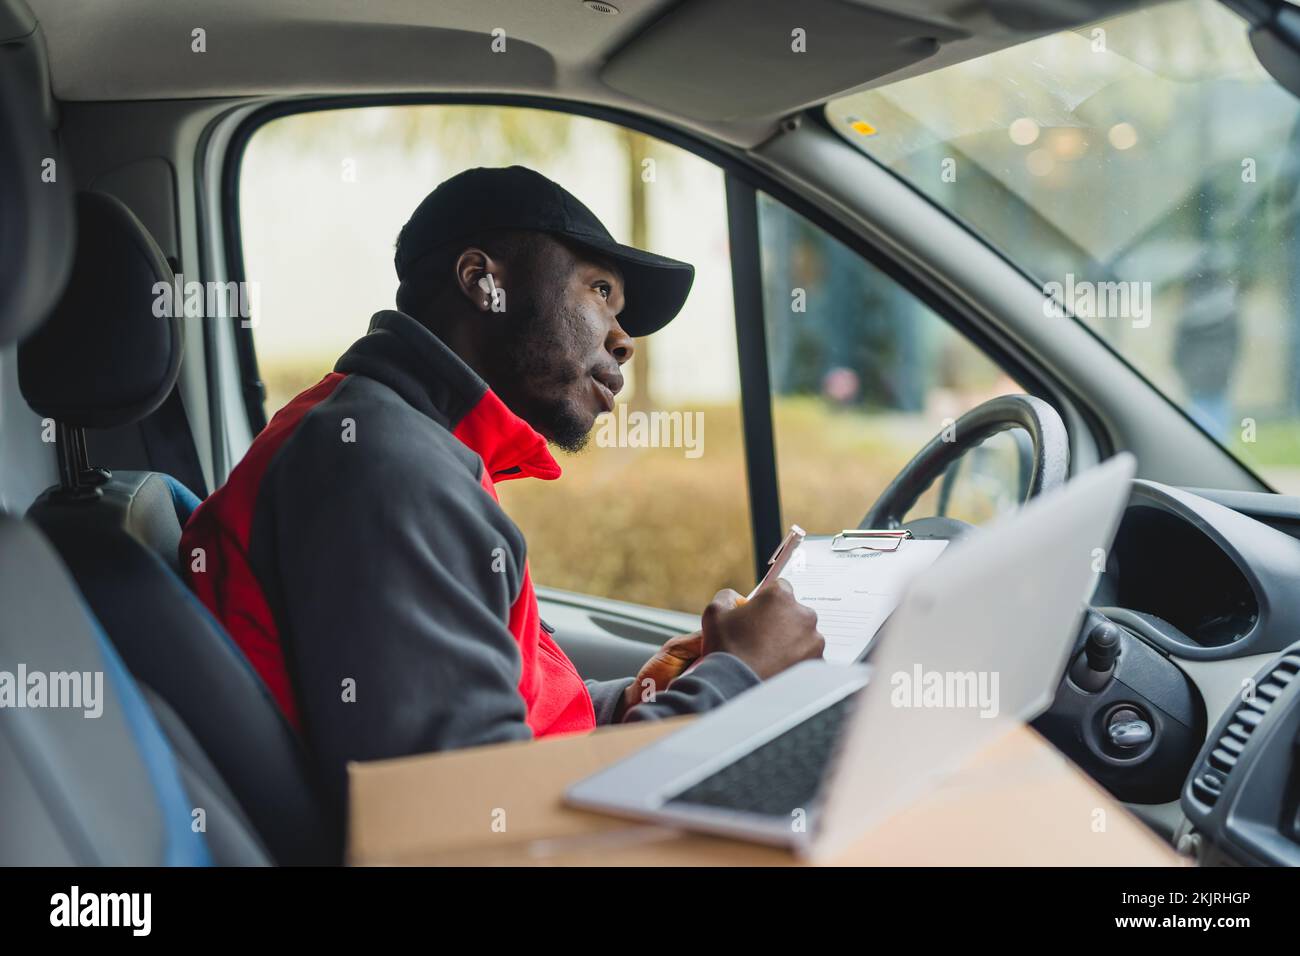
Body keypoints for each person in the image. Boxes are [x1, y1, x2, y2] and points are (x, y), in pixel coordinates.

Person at [180, 166, 824, 806]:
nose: (624, 341)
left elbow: (501, 730)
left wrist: (639, 699)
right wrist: (734, 680)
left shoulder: (402, 443)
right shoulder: (387, 472)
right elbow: (473, 825)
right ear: (482, 282)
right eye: (600, 290)